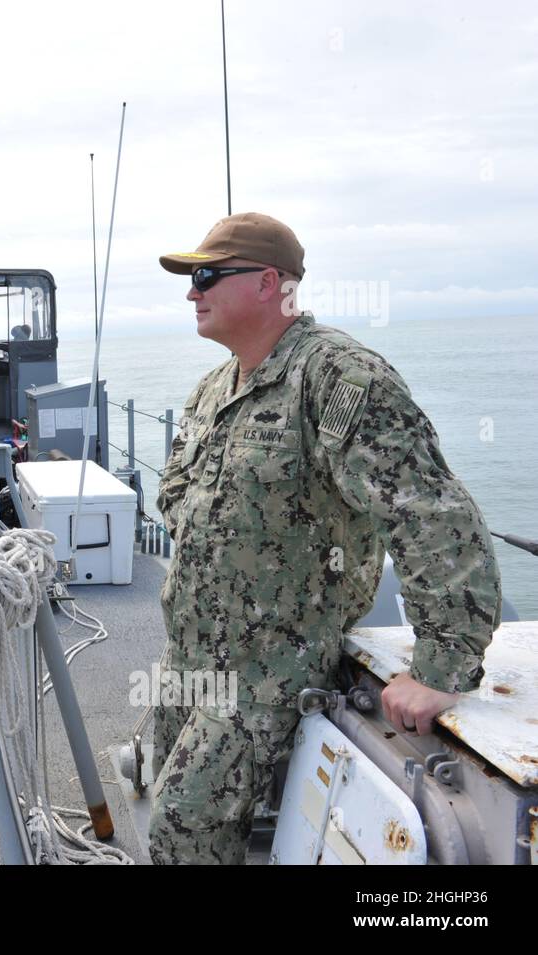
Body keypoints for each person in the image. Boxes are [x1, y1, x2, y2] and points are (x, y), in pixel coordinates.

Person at [149, 212, 502, 865]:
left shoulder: (337, 377)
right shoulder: (215, 387)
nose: (191, 292)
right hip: (190, 660)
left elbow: (429, 510)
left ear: (267, 283)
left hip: (264, 672)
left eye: (204, 276)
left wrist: (444, 664)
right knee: (159, 796)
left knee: (181, 831)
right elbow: (175, 485)